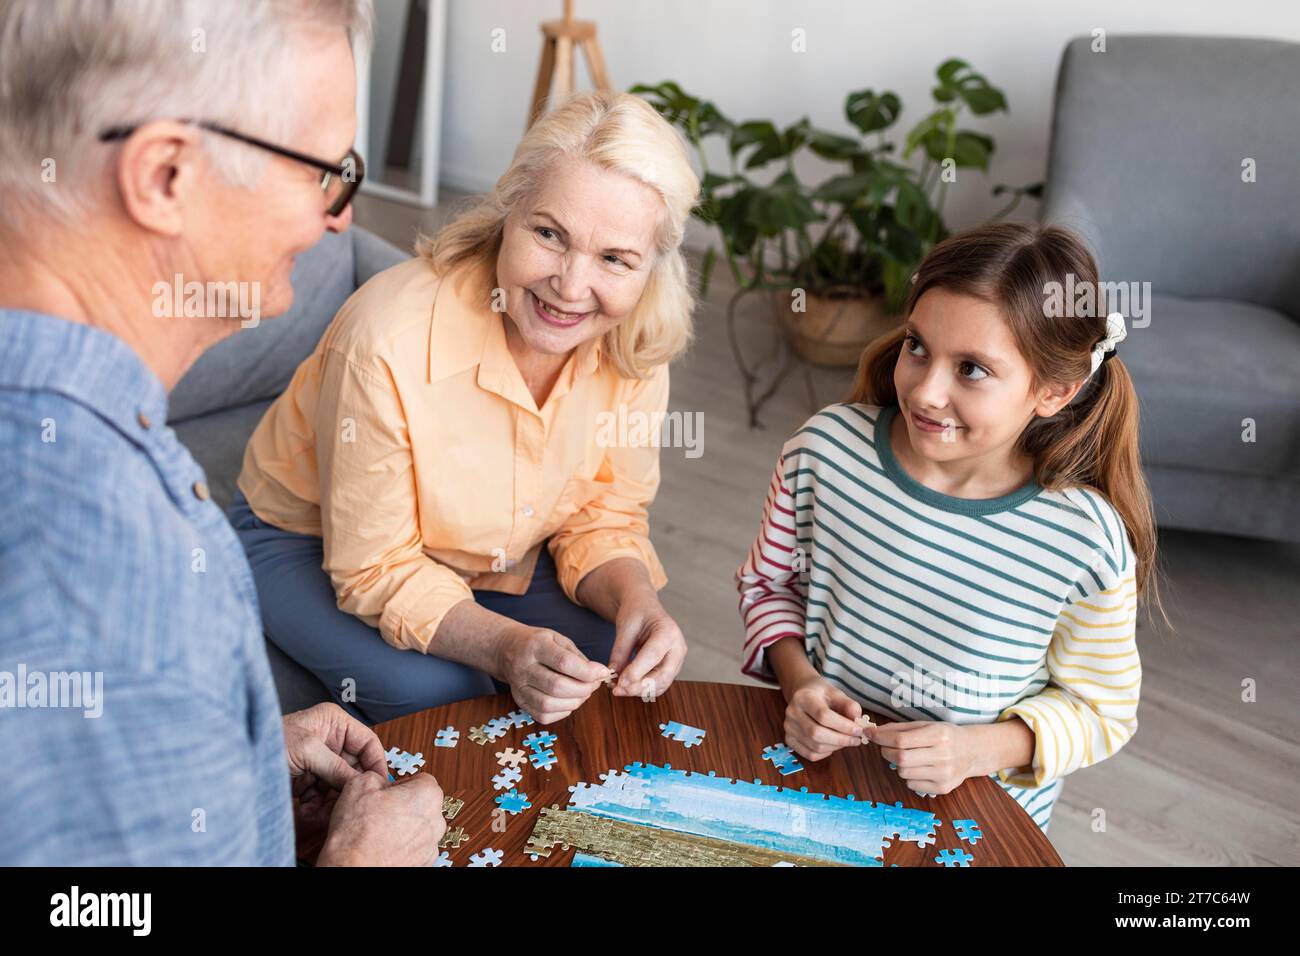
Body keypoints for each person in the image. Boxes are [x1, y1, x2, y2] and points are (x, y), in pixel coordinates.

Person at [0, 0, 445, 865]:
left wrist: (233, 766)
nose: (340, 218)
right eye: (327, 170)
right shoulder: (101, 555)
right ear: (167, 175)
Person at [230, 90, 698, 724]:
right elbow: (375, 566)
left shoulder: (637, 341)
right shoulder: (385, 341)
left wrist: (637, 600)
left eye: (615, 259)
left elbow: (603, 514)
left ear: (651, 270)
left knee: (610, 674)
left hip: (501, 549)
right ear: (509, 212)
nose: (570, 285)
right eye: (549, 234)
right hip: (307, 540)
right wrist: (506, 649)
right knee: (446, 697)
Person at [736, 222, 1158, 833]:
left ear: (1054, 390)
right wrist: (799, 683)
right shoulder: (823, 451)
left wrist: (977, 751)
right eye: (917, 347)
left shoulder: (1083, 541)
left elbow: (1103, 712)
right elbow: (769, 588)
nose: (926, 391)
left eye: (972, 370)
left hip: (971, 820)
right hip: (811, 776)